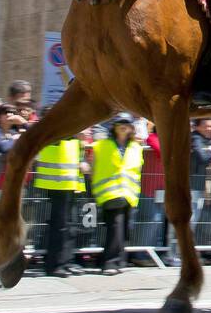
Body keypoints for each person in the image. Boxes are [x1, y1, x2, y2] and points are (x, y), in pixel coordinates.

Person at [91, 114, 145, 274]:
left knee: (123, 229)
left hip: (129, 194)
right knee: (115, 228)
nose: (123, 126)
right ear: (113, 126)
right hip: (110, 193)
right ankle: (110, 263)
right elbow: (95, 167)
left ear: (131, 127)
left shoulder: (136, 147)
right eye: (120, 123)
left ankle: (118, 261)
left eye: (126, 124)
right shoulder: (102, 145)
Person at [34, 136, 86, 277]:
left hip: (70, 183)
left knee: (70, 226)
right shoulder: (62, 132)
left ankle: (66, 261)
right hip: (58, 183)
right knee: (60, 226)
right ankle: (55, 264)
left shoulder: (74, 137)